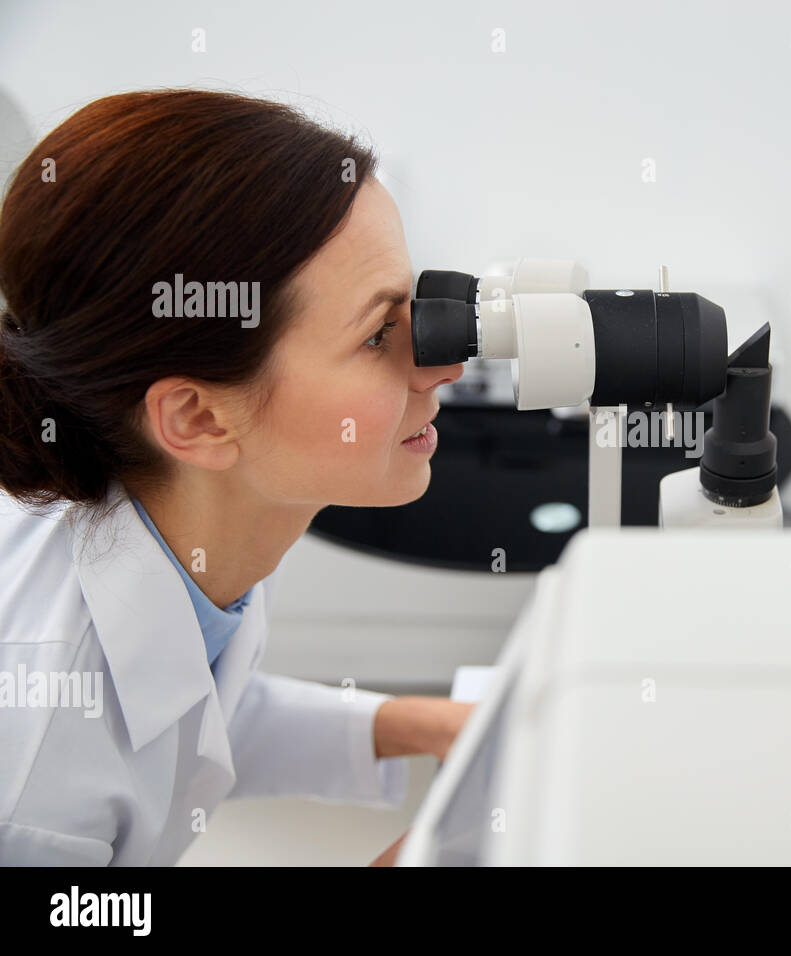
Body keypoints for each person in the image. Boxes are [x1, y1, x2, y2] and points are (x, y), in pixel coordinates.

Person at [0, 89, 472, 865]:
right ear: (198, 419)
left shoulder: (198, 523)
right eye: (379, 331)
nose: (446, 365)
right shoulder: (34, 766)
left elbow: (193, 713)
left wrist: (423, 725)